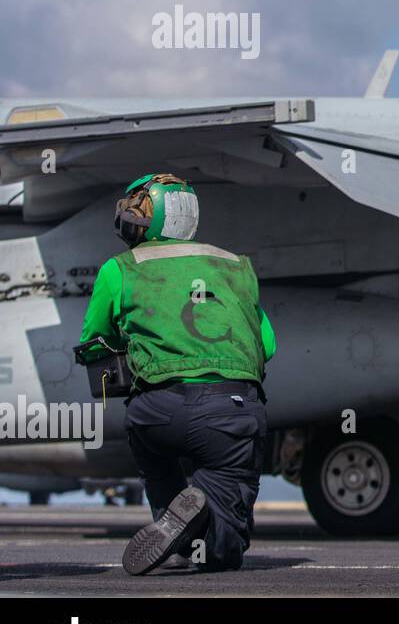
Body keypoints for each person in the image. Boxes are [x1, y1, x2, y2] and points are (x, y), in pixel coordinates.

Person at [78, 173, 275, 575]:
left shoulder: (120, 269)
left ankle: (177, 526)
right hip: (231, 413)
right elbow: (267, 345)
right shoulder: (236, 265)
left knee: (153, 453)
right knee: (225, 552)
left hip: (158, 411)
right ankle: (208, 534)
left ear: (150, 214)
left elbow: (93, 341)